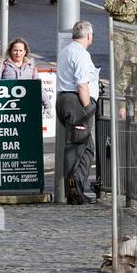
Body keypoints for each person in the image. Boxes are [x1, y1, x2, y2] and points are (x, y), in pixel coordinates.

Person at [55, 21, 100, 204]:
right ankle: (73, 187)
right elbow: (82, 84)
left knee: (87, 148)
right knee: (76, 147)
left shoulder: (66, 50)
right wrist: (88, 107)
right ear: (89, 36)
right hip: (76, 103)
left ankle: (78, 188)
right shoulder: (80, 54)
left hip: (66, 100)